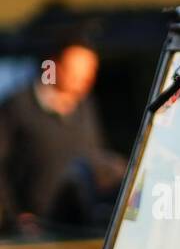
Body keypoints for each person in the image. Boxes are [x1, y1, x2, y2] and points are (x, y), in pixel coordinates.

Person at [0, 36, 123, 234]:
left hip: (79, 227)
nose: (84, 79)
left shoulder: (85, 108)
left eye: (89, 73)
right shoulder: (17, 107)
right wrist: (13, 216)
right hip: (31, 233)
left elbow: (95, 156)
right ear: (54, 65)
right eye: (76, 71)